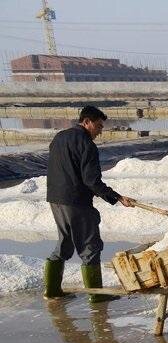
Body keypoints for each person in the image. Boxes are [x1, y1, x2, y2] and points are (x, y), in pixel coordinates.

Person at [43, 105, 135, 302]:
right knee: (90, 246)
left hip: (55, 198)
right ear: (87, 122)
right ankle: (97, 295)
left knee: (64, 243)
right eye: (99, 126)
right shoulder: (86, 144)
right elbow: (92, 181)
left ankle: (52, 291)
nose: (100, 131)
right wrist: (117, 197)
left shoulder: (59, 137)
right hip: (76, 201)